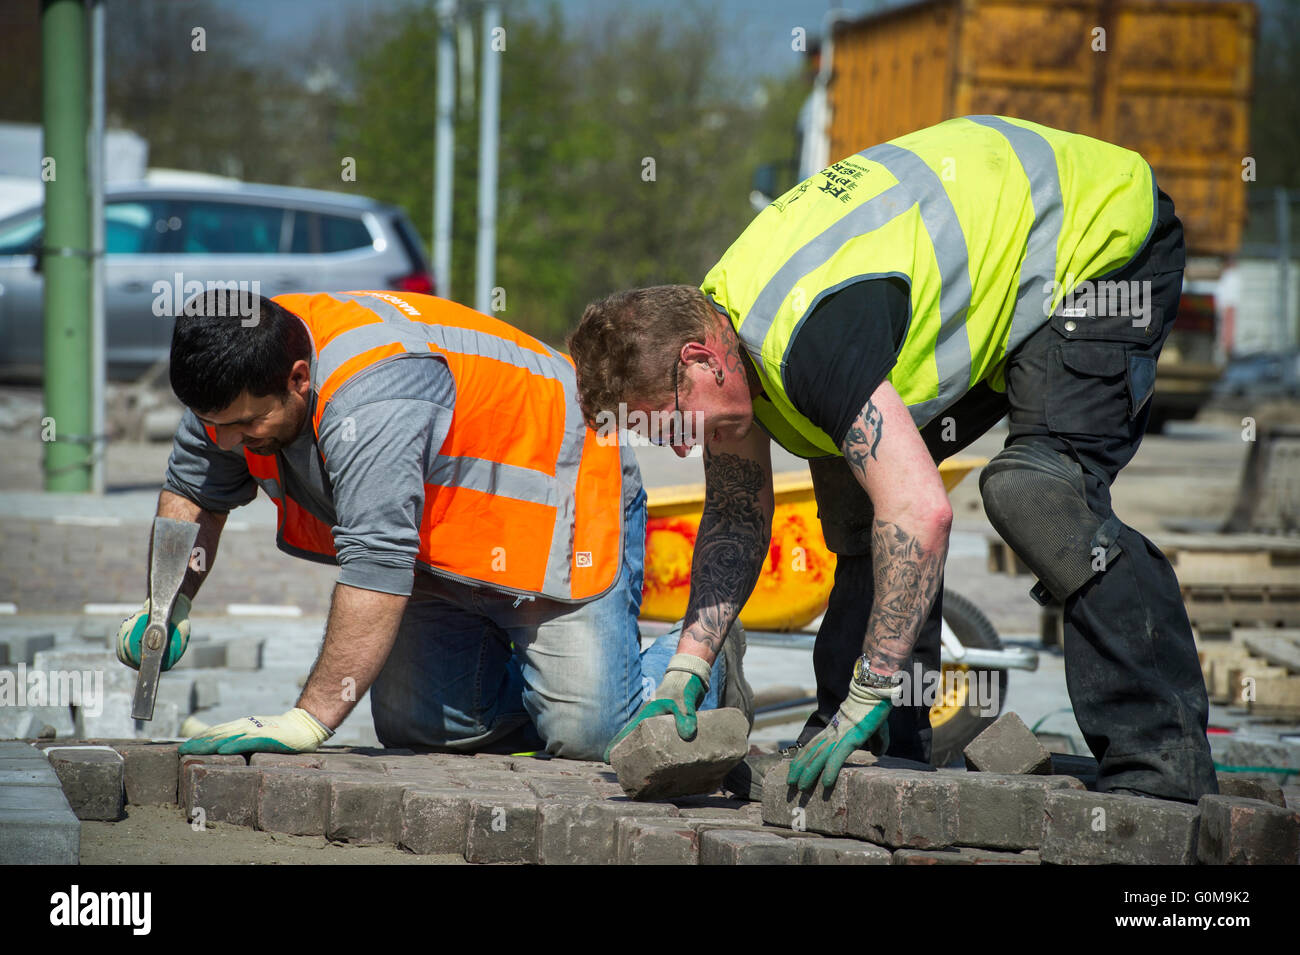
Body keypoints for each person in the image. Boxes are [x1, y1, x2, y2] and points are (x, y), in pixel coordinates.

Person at [569, 115, 1218, 802]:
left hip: (1095, 239)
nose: (676, 443)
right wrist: (685, 672)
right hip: (997, 252)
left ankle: (1161, 760)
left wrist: (870, 685)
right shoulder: (715, 329)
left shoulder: (804, 340)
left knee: (1038, 494)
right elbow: (736, 515)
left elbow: (921, 511)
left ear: (701, 360)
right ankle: (884, 751)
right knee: (856, 501)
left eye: (671, 421)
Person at [116, 288, 744, 759]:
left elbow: (376, 563)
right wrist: (169, 602)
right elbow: (193, 492)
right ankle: (540, 689)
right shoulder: (238, 368)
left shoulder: (372, 400)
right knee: (425, 730)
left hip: (562, 497)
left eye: (246, 425)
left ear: (299, 380)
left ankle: (699, 664)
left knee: (591, 736)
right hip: (448, 532)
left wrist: (308, 719)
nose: (226, 440)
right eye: (212, 422)